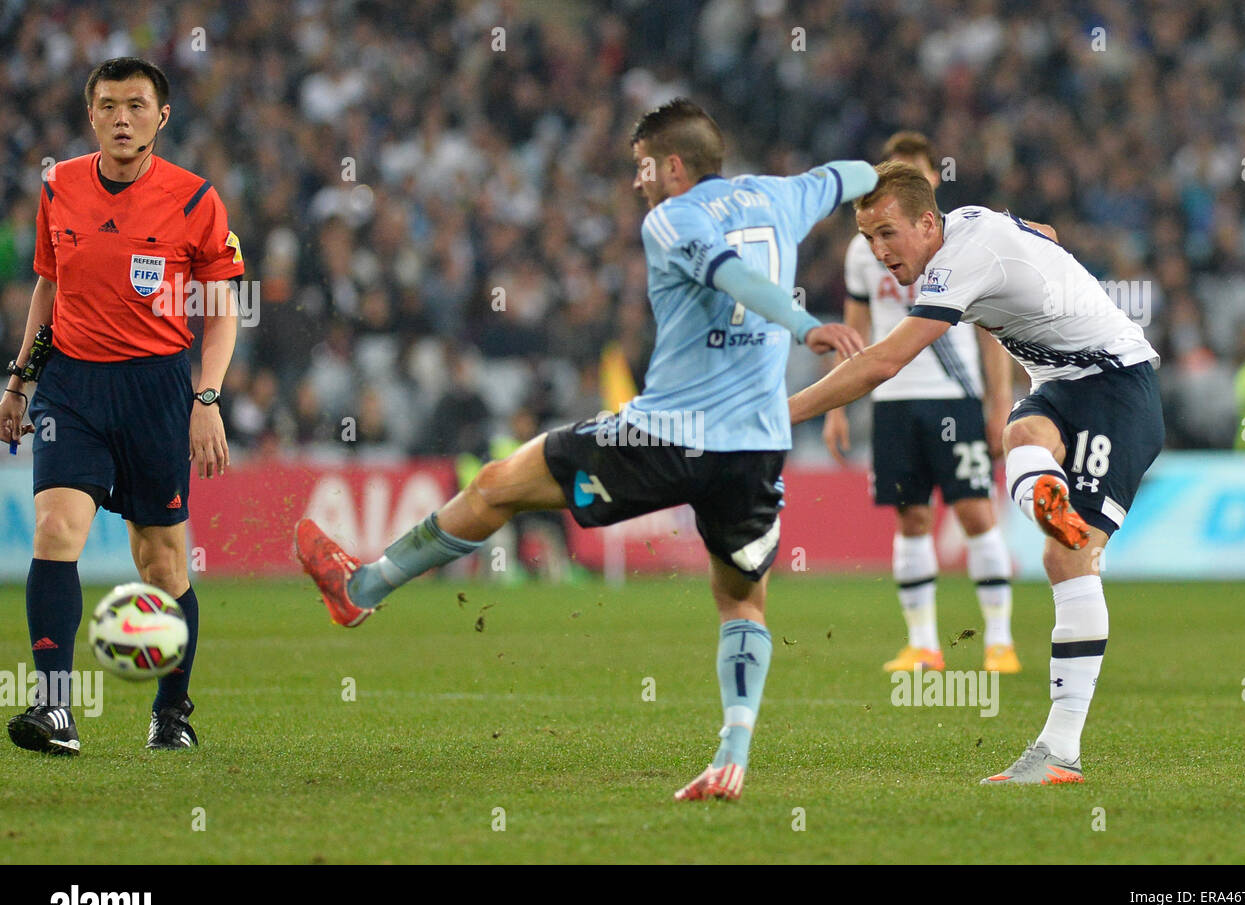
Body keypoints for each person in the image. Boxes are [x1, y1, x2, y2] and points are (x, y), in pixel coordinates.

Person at [297, 98, 875, 801]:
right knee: (743, 606)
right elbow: (852, 173)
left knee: (495, 487)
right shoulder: (784, 194)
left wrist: (804, 323)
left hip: (661, 435)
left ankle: (363, 589)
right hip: (755, 448)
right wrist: (896, 178)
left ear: (671, 166)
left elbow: (729, 273)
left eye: (641, 168)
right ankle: (733, 753)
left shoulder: (671, 217)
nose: (636, 183)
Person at [788, 161, 1163, 784]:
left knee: (1066, 560)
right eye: (868, 238)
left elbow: (883, 363)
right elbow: (1041, 229)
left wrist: (783, 414)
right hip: (1060, 388)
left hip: (1115, 386)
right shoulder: (969, 222)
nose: (880, 252)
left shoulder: (960, 260)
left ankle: (1059, 752)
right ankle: (1048, 499)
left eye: (888, 233)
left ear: (926, 223)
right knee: (1020, 434)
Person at [0, 57, 243, 754]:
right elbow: (48, 290)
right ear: (91, 115)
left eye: (137, 105)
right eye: (109, 105)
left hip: (157, 390)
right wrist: (19, 381)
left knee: (162, 564)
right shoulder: (59, 186)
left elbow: (221, 312)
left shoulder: (196, 200)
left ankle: (172, 712)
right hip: (72, 387)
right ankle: (55, 710)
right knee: (54, 532)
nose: (123, 118)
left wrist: (207, 396)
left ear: (162, 118)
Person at [821, 132, 1019, 675]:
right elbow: (856, 329)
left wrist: (999, 399)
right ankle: (923, 645)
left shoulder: (959, 243)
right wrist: (837, 407)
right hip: (892, 399)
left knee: (976, 511)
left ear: (933, 179)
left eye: (916, 170)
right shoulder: (864, 252)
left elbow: (990, 331)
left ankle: (999, 642)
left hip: (953, 396)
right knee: (910, 517)